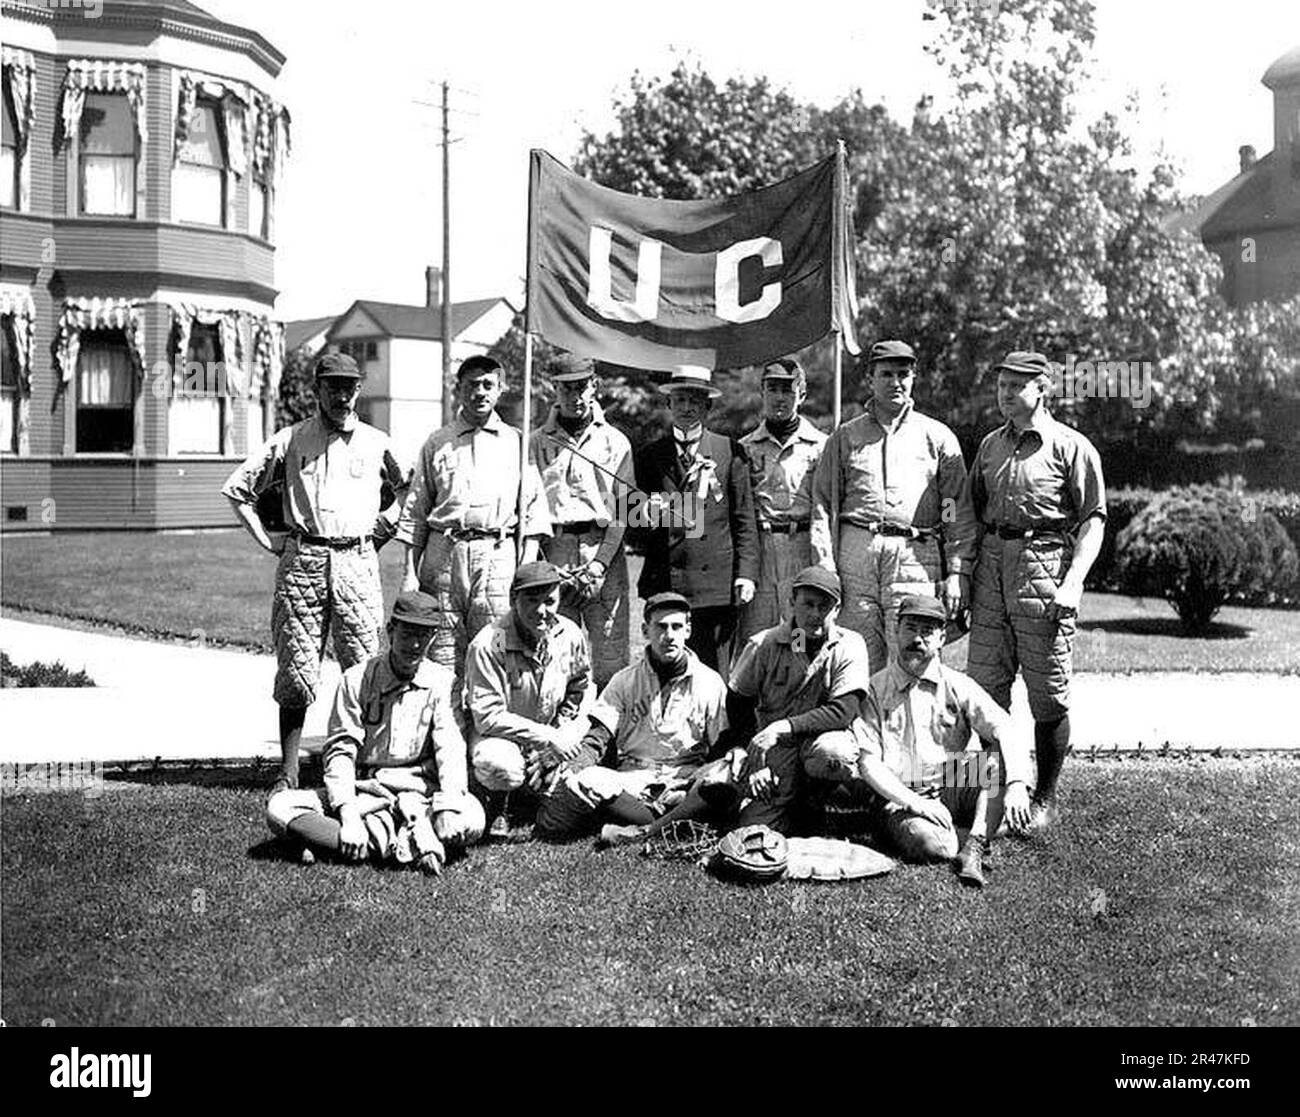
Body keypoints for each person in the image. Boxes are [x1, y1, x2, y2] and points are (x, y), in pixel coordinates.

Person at [222, 350, 409, 793]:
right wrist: (270, 540)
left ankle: (366, 765)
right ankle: (287, 773)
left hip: (357, 563)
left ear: (359, 390)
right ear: (317, 390)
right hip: (303, 562)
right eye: (333, 387)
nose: (342, 396)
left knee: (364, 668)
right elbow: (238, 489)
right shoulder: (291, 439)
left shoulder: (377, 442)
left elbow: (410, 490)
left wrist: (382, 528)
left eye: (350, 387)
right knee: (296, 669)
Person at [963, 350, 1106, 831]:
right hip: (991, 568)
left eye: (1016, 386)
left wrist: (1073, 583)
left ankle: (1043, 798)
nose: (1005, 394)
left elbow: (1093, 521)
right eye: (1001, 386)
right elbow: (974, 512)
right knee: (984, 691)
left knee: (1048, 694)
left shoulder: (1071, 447)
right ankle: (991, 797)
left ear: (1042, 388)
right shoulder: (988, 446)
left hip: (1043, 569)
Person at [265, 590, 485, 874]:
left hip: (420, 792)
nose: (415, 644)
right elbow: (341, 752)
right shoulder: (356, 679)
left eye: (424, 635)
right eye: (407, 633)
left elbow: (451, 750)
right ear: (390, 631)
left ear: (432, 639)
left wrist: (447, 807)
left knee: (472, 816)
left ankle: (343, 842)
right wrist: (348, 812)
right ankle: (403, 840)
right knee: (280, 806)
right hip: (364, 790)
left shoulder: (444, 683)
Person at [810, 339, 975, 671]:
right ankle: (860, 722)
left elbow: (952, 506)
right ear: (870, 378)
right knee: (855, 656)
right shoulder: (846, 437)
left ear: (914, 378)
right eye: (886, 374)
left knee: (915, 653)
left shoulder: (937, 437)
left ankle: (912, 723)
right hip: (858, 552)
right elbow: (824, 505)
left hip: (916, 555)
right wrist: (825, 564)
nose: (895, 382)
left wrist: (958, 568)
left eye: (903, 373)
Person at [855, 595, 1033, 888]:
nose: (917, 638)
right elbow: (867, 762)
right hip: (900, 794)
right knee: (934, 846)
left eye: (927, 631)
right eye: (910, 628)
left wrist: (1015, 785)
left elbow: (1005, 727)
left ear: (941, 638)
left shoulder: (957, 684)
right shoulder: (875, 688)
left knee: (999, 762)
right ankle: (981, 826)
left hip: (950, 779)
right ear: (896, 631)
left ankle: (974, 844)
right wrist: (916, 803)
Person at [531, 591, 734, 846]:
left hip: (685, 776)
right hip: (634, 778)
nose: (669, 635)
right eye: (660, 627)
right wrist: (573, 768)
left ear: (688, 630)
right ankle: (678, 822)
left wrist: (714, 773)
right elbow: (598, 739)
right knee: (585, 779)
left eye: (676, 627)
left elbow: (721, 746)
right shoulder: (624, 680)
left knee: (726, 774)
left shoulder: (710, 682)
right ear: (645, 630)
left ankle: (645, 829)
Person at [397, 354, 551, 682]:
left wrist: (522, 571)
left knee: (496, 648)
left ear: (500, 390)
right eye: (471, 385)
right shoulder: (437, 443)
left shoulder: (517, 443)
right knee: (441, 651)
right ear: (459, 390)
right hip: (444, 556)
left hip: (497, 556)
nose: (479, 392)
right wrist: (410, 574)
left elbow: (534, 513)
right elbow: (415, 513)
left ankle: (488, 729)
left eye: (487, 385)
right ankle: (443, 729)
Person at [724, 566, 871, 834]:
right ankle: (788, 804)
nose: (815, 614)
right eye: (808, 604)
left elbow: (843, 710)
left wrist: (783, 726)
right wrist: (753, 758)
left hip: (822, 739)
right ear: (792, 603)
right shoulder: (766, 643)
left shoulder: (850, 644)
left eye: (824, 606)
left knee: (832, 755)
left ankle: (813, 802)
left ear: (837, 610)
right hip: (775, 748)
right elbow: (737, 701)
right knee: (753, 829)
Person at [634, 365, 759, 673]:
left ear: (707, 406)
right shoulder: (651, 455)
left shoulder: (729, 451)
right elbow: (632, 522)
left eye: (694, 400)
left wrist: (746, 574)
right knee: (665, 666)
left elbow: (744, 518)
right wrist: (646, 513)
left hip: (715, 583)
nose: (687, 408)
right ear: (669, 405)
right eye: (680, 400)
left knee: (715, 671)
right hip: (666, 579)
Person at [529, 353, 635, 691]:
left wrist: (599, 565)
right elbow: (529, 508)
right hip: (554, 552)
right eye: (566, 388)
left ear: (595, 387)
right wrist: (545, 564)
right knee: (556, 655)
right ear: (553, 390)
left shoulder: (615, 441)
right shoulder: (534, 443)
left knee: (610, 659)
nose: (574, 396)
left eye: (581, 387)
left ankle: (607, 739)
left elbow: (624, 510)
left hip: (602, 553)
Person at [464, 561, 592, 837]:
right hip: (499, 736)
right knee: (500, 766)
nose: (541, 611)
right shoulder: (492, 641)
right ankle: (497, 802)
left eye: (550, 601)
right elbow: (488, 717)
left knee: (581, 782)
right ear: (513, 599)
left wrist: (559, 732)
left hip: (548, 733)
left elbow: (579, 686)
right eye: (531, 600)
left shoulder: (569, 633)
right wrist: (546, 738)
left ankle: (529, 793)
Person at [737, 357, 828, 643]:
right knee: (756, 636)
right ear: (762, 393)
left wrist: (823, 561)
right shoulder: (745, 447)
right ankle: (755, 687)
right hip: (761, 548)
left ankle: (800, 685)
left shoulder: (821, 446)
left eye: (787, 390)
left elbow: (827, 507)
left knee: (800, 632)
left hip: (801, 544)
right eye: (772, 389)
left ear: (801, 395)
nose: (779, 397)